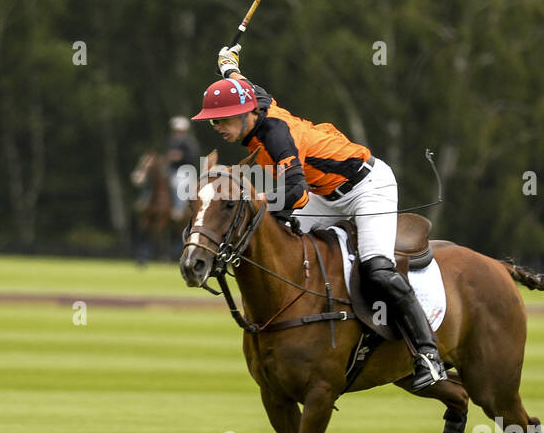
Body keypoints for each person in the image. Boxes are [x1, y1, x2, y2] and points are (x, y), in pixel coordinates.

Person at [190, 44, 448, 391]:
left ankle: (427, 353)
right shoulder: (254, 102)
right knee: (277, 237)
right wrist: (227, 62)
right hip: (325, 194)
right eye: (213, 121)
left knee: (377, 268)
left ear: (244, 113)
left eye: (221, 120)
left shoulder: (278, 136)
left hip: (367, 186)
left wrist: (258, 201)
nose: (216, 127)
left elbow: (295, 193)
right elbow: (238, 79)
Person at [166, 117, 201, 221]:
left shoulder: (189, 142)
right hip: (172, 169)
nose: (177, 133)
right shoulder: (171, 141)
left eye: (179, 131)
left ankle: (179, 208)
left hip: (186, 170)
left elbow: (193, 156)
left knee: (177, 184)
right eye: (176, 131)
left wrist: (181, 156)